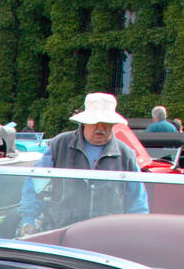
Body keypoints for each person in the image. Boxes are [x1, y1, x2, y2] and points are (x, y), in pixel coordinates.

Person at [17, 92, 146, 231]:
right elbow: (37, 184)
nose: (101, 128)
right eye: (95, 123)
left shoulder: (126, 154)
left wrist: (137, 230)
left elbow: (137, 203)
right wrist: (28, 219)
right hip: (60, 230)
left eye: (106, 123)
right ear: (84, 122)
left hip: (108, 233)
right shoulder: (60, 145)